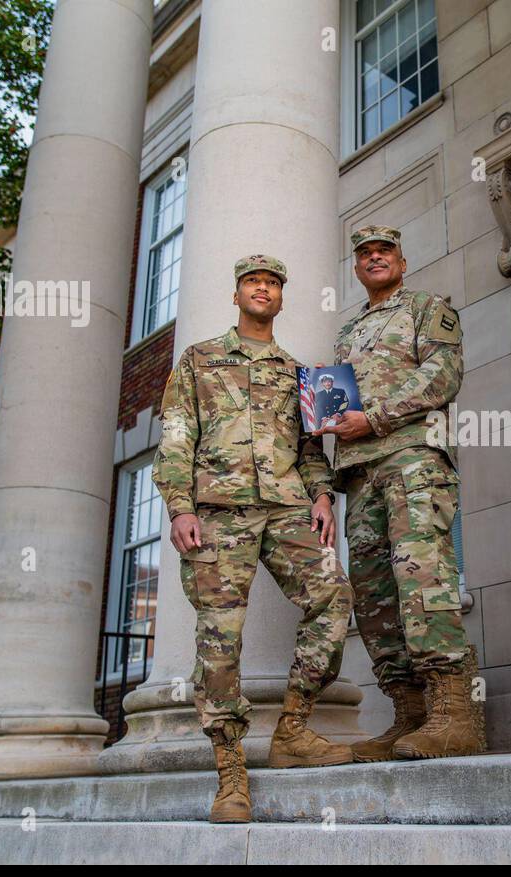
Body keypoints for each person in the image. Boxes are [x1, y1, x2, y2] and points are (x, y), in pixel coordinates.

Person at [153, 253, 355, 825]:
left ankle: (292, 726)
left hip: (288, 506)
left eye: (271, 283)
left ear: (281, 298)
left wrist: (322, 496)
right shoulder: (198, 359)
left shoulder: (301, 374)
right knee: (220, 637)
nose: (262, 289)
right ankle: (230, 772)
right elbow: (175, 438)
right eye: (252, 282)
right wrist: (178, 506)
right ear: (237, 294)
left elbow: (314, 450)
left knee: (333, 598)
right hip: (218, 512)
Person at [319, 226, 485, 761]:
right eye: (364, 254)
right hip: (359, 474)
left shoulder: (425, 308)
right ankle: (410, 714)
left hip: (411, 457)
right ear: (356, 267)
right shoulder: (347, 334)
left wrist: (375, 418)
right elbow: (331, 409)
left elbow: (444, 374)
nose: (373, 258)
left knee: (422, 577)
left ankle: (454, 717)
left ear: (401, 260)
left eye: (383, 251)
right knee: (373, 597)